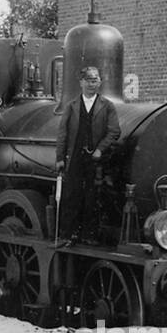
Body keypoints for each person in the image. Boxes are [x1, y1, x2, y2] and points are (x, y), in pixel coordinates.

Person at [55, 66, 121, 245]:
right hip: (75, 155)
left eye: (96, 80)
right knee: (71, 196)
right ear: (81, 82)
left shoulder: (107, 106)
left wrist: (100, 149)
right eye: (90, 80)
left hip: (96, 158)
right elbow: (63, 133)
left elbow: (114, 131)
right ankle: (67, 235)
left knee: (93, 196)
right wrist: (60, 158)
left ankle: (88, 235)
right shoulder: (72, 106)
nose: (93, 84)